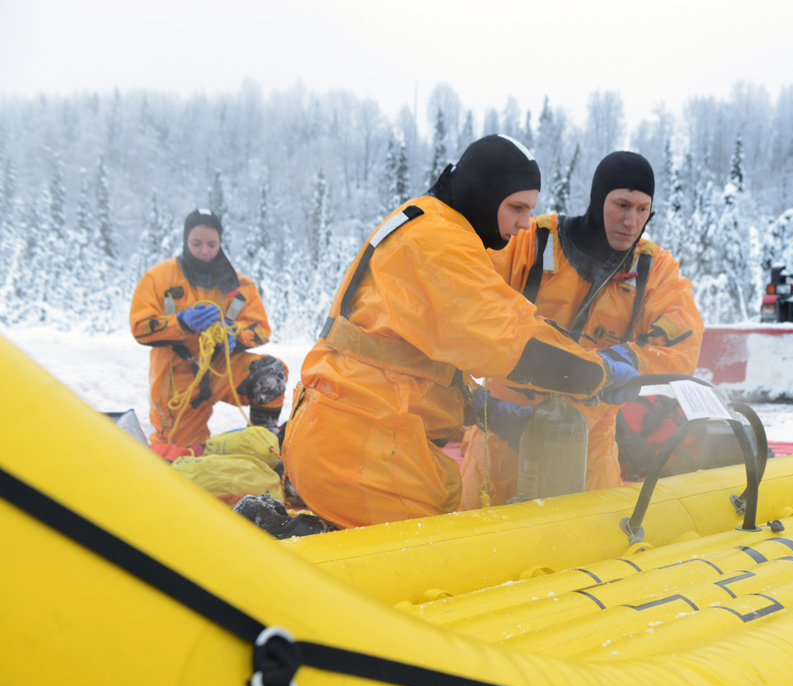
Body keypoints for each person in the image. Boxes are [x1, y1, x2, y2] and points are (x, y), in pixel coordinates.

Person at [281, 135, 640, 529]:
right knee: (431, 564)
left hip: (347, 440)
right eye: (516, 208)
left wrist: (483, 408)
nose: (525, 223)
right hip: (363, 456)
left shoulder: (428, 223)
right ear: (484, 194)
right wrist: (598, 372)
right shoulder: (437, 244)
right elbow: (507, 341)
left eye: (530, 210)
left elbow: (404, 357)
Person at [459, 151, 704, 507]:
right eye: (622, 205)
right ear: (598, 199)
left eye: (642, 209)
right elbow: (461, 315)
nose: (631, 221)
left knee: (589, 536)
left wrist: (626, 360)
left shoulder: (652, 269)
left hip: (591, 448)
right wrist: (480, 404)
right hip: (503, 438)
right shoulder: (532, 243)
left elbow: (683, 339)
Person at [130, 210, 288, 456]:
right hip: (176, 377)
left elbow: (260, 328)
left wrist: (234, 333)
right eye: (197, 244)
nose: (204, 251)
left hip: (220, 368)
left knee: (270, 374)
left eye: (212, 245)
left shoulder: (240, 285)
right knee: (181, 456)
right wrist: (181, 323)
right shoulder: (159, 278)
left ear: (220, 243)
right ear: (185, 241)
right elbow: (140, 326)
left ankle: (262, 446)